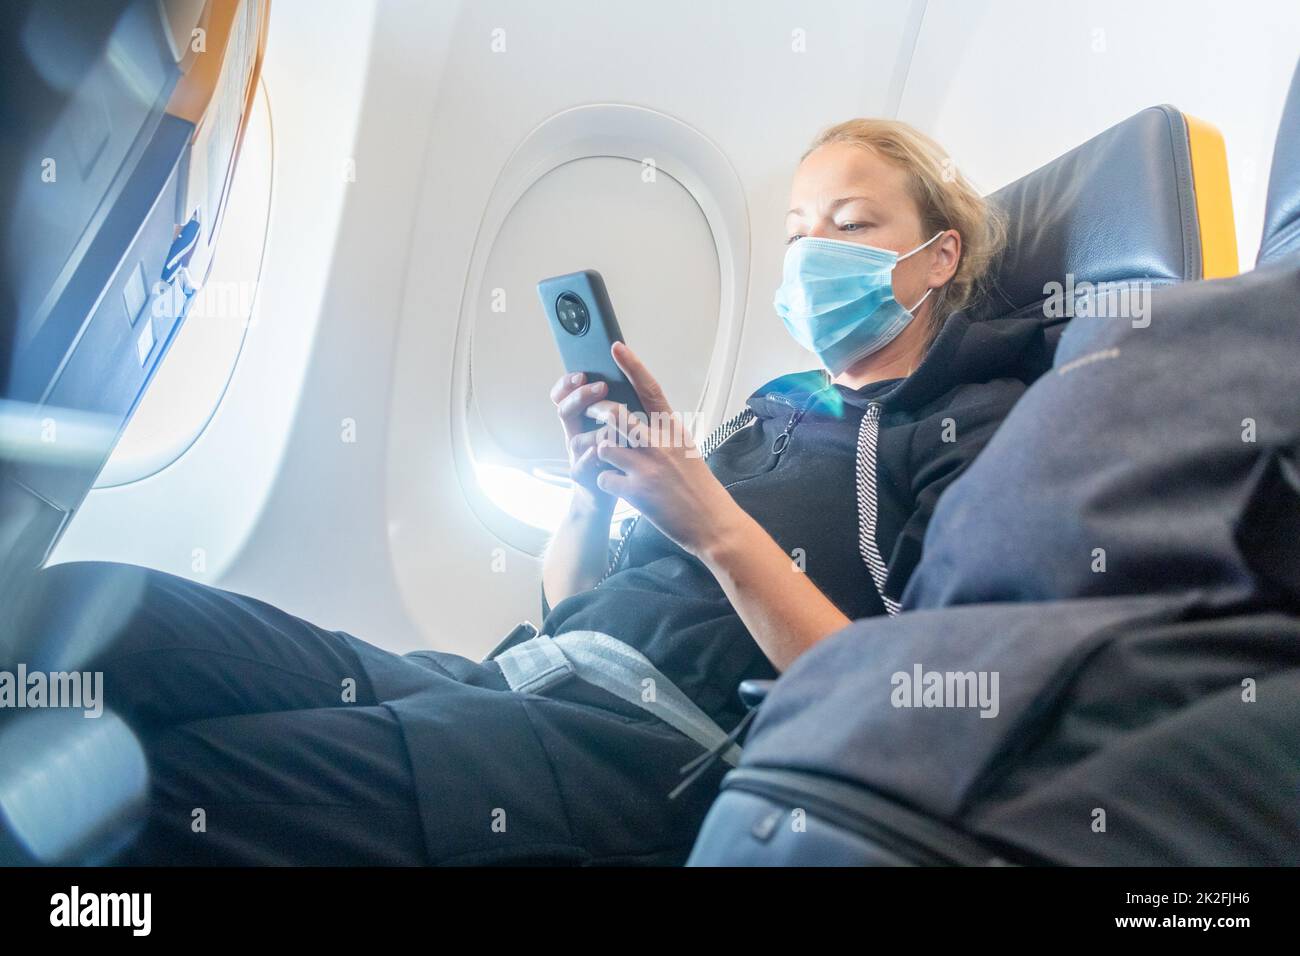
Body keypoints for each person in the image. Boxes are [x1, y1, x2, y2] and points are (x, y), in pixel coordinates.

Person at [9, 119, 1044, 865]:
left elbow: (892, 702)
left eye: (851, 223)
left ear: (936, 253)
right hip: (502, 680)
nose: (811, 252)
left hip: (619, 758)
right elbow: (575, 601)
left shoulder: (966, 425)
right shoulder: (785, 404)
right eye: (794, 230)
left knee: (146, 791)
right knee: (82, 620)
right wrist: (595, 488)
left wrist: (711, 519)